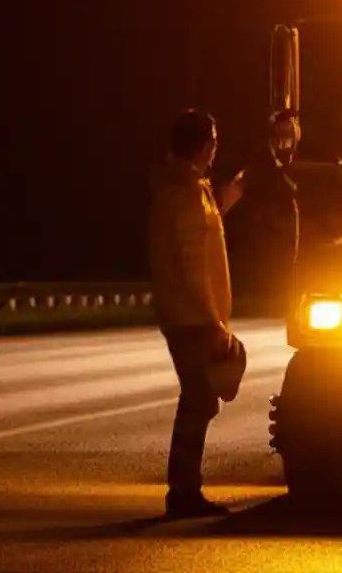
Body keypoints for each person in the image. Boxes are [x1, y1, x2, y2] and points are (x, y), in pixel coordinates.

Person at [148, 109, 235, 518]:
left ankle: (184, 490)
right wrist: (211, 317)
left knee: (198, 398)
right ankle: (182, 492)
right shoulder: (182, 191)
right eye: (214, 141)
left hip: (188, 312)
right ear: (203, 144)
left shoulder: (187, 187)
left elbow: (199, 236)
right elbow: (190, 260)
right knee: (200, 399)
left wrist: (227, 199)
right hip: (189, 314)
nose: (216, 150)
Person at [222, 110, 300, 306]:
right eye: (282, 134)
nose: (287, 140)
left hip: (284, 251)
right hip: (264, 250)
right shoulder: (261, 165)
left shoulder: (292, 168)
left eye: (290, 133)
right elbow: (236, 190)